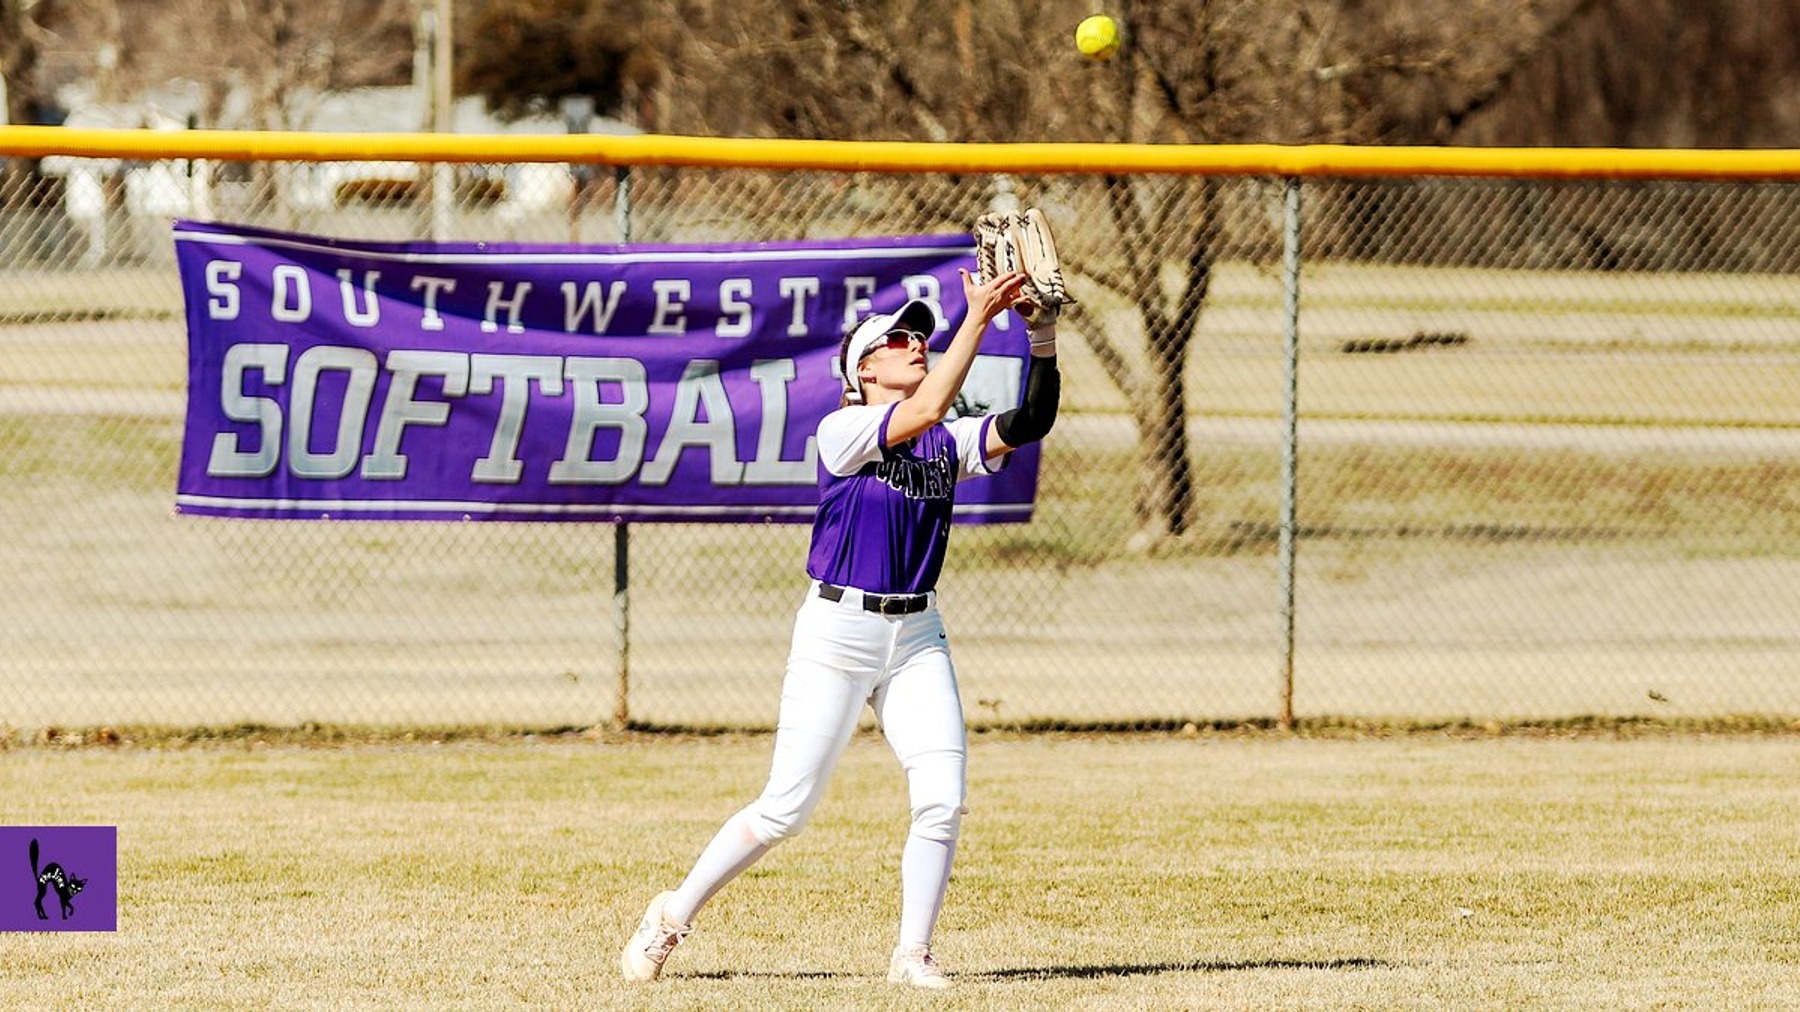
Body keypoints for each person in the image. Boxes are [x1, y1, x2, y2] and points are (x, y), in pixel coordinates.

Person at [620, 265, 1062, 990]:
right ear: (862, 371)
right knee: (785, 810)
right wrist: (978, 318)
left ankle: (912, 955)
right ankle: (670, 916)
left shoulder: (946, 441)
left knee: (942, 798)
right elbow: (918, 415)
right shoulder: (844, 427)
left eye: (922, 337)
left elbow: (1030, 422)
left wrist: (1040, 336)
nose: (915, 344)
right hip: (836, 635)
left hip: (917, 635)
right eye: (897, 340)